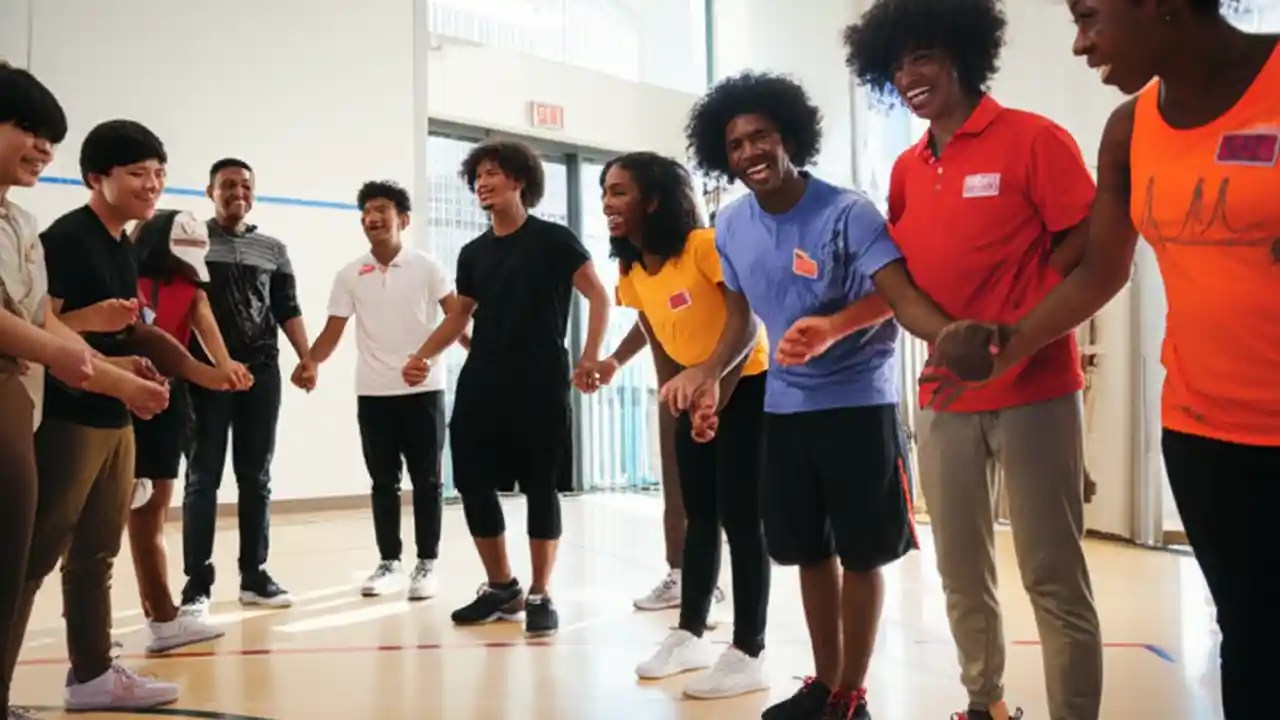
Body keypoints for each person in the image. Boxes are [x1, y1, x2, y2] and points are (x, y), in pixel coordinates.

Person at [928, 3, 1278, 717]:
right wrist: (1008, 344)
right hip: (1204, 431)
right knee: (1251, 632)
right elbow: (1101, 271)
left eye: (1089, 18)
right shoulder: (1129, 126)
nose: (1081, 45)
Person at [842, 2, 1104, 718]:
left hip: (1036, 388)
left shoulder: (1033, 140)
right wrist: (834, 325)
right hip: (944, 397)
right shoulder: (906, 167)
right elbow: (906, 285)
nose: (908, 77)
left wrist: (1021, 326)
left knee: (1052, 575)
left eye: (921, 57)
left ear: (962, 54)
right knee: (960, 572)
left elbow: (1085, 248)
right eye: (895, 66)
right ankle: (983, 703)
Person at [683, 71, 955, 720]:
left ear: (790, 138)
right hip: (786, 411)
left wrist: (834, 327)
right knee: (808, 552)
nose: (750, 152)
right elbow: (742, 319)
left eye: (762, 137)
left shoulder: (847, 212)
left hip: (858, 408)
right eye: (736, 143)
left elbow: (895, 296)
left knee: (862, 554)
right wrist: (709, 377)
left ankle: (852, 695)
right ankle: (825, 682)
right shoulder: (730, 225)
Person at [2, 117, 185, 712]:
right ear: (96, 177)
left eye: (159, 173)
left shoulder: (121, 243)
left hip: (113, 411)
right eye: (137, 173)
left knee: (97, 553)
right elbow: (42, 326)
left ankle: (92, 674)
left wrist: (125, 364)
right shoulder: (67, 237)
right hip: (69, 414)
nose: (152, 184)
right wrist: (101, 355)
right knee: (32, 554)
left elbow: (69, 328)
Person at [579, 152, 770, 698]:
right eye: (605, 192)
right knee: (698, 516)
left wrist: (711, 382)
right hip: (697, 397)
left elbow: (746, 320)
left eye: (619, 192)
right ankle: (689, 633)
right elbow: (655, 327)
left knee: (741, 518)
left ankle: (748, 651)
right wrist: (673, 394)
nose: (607, 204)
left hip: (747, 386)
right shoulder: (632, 267)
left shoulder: (703, 248)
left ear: (654, 200)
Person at [403, 139, 610, 639]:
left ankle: (540, 591)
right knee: (472, 480)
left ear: (519, 180)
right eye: (477, 176)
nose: (482, 183)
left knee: (541, 485)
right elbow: (460, 316)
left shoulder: (555, 240)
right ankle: (502, 587)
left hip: (539, 380)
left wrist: (589, 356)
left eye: (492, 173)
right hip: (482, 380)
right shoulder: (474, 253)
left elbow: (600, 296)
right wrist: (423, 355)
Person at [304, 180, 466, 600]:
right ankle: (389, 562)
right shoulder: (349, 274)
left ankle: (427, 563)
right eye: (367, 212)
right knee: (383, 482)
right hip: (373, 392)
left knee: (427, 481)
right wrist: (311, 361)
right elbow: (333, 330)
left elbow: (456, 319)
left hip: (424, 389)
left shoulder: (428, 267)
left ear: (403, 219)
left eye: (382, 210)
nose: (373, 218)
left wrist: (475, 354)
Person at [182, 157, 313, 614]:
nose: (237, 192)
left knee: (255, 477)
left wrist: (307, 357)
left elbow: (288, 307)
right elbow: (187, 306)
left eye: (245, 186)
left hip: (263, 375)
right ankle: (196, 585)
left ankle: (254, 576)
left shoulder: (272, 249)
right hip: (206, 376)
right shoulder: (191, 241)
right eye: (227, 185)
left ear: (253, 193)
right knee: (202, 479)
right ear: (210, 191)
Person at [127, 209, 253, 655]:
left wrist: (226, 367)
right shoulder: (128, 275)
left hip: (169, 399)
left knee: (156, 500)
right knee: (115, 509)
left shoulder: (191, 286)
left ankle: (163, 617)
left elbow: (204, 326)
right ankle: (114, 616)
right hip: (120, 393)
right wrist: (208, 373)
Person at [594, 322, 725, 613]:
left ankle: (705, 581)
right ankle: (681, 573)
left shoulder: (702, 280)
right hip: (675, 391)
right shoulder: (641, 282)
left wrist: (711, 373)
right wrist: (616, 360)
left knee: (723, 498)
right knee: (677, 483)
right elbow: (648, 318)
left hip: (721, 384)